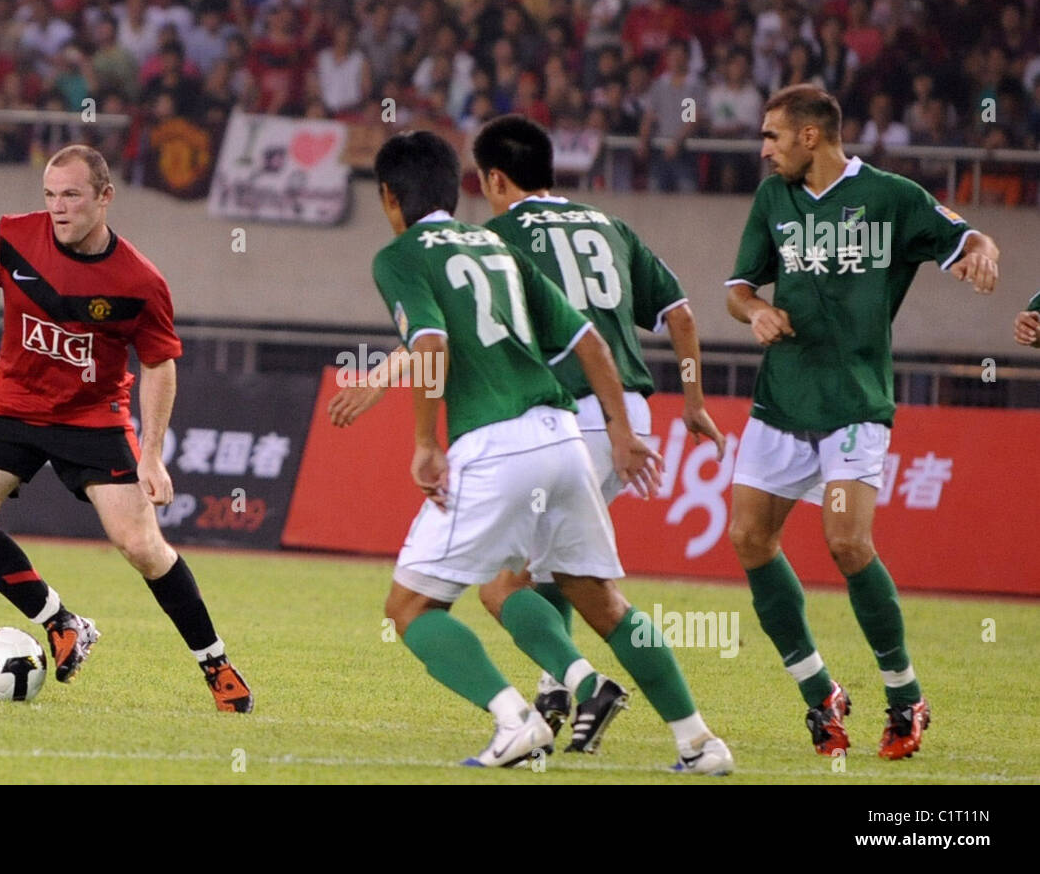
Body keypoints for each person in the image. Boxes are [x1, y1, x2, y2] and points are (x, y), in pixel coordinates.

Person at [332, 116, 735, 775]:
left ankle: (516, 720)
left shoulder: (400, 257)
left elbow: (430, 342)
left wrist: (425, 444)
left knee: (410, 607)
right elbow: (593, 344)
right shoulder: (500, 250)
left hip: (495, 446)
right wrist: (625, 432)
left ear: (387, 197)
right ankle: (698, 741)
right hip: (566, 438)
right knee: (602, 601)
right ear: (458, 190)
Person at [0, 144, 253, 713]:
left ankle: (215, 664)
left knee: (141, 546)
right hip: (13, 405)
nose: (58, 207)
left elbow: (157, 364)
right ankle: (60, 622)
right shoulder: (10, 236)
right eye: (50, 195)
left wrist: (151, 454)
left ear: (105, 197)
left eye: (71, 195)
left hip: (92, 418)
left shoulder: (140, 281)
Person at [725, 85, 1000, 760]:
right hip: (781, 403)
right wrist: (753, 311)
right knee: (749, 539)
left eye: (772, 136)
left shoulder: (891, 196)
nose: (764, 149)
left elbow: (962, 231)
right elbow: (736, 288)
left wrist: (981, 249)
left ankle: (904, 696)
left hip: (854, 406)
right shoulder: (773, 200)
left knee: (847, 543)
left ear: (810, 137)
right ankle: (820, 693)